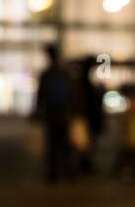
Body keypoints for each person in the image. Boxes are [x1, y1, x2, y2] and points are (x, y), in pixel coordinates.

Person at [33, 44, 75, 183]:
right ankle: (68, 173)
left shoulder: (47, 74)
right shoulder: (64, 73)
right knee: (64, 144)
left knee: (52, 145)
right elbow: (71, 94)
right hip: (64, 113)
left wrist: (37, 112)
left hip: (51, 113)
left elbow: (40, 95)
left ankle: (53, 174)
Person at [73, 57, 106, 174]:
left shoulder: (80, 83)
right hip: (88, 118)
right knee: (86, 145)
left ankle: (84, 166)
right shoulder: (86, 84)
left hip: (85, 118)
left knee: (85, 145)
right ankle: (85, 166)